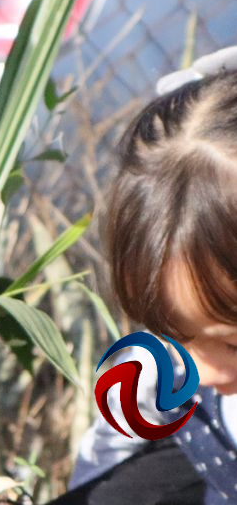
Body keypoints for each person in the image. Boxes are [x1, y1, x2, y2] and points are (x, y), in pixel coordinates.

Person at [61, 68, 237, 505]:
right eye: (175, 334)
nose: (205, 372)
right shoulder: (168, 370)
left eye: (233, 345)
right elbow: (111, 446)